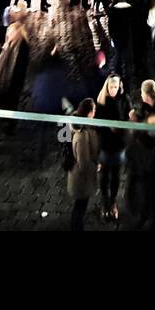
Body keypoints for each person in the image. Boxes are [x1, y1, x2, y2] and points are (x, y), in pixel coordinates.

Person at [95, 76, 128, 222]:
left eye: (115, 87)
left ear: (119, 86)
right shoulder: (102, 101)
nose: (113, 90)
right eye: (111, 88)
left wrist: (122, 126)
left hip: (119, 144)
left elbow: (128, 117)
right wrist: (109, 127)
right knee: (104, 175)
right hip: (105, 144)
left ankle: (113, 201)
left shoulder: (124, 99)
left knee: (116, 175)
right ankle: (104, 201)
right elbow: (97, 124)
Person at [67, 98, 97, 231]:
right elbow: (84, 163)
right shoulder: (82, 136)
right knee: (80, 207)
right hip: (81, 179)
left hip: (80, 177)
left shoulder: (83, 128)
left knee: (80, 206)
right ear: (90, 113)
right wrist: (96, 169)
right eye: (94, 110)